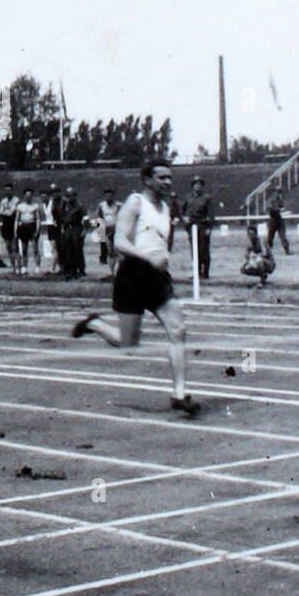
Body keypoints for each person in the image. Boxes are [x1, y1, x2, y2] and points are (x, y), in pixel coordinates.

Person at [71, 159, 200, 416]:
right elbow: (119, 242)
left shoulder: (166, 208)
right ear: (147, 180)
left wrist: (161, 259)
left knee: (178, 329)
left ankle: (179, 394)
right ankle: (94, 323)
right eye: (162, 177)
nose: (168, 182)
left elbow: (161, 240)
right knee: (128, 342)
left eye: (170, 178)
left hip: (157, 278)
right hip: (132, 275)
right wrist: (148, 258)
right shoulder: (134, 203)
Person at [183, 177, 214, 279]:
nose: (197, 186)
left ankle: (205, 273)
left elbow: (210, 214)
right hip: (192, 226)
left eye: (200, 184)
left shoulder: (206, 198)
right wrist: (185, 220)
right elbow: (183, 210)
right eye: (195, 184)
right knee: (194, 250)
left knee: (203, 249)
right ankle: (197, 272)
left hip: (203, 226)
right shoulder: (189, 198)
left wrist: (209, 228)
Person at [58, 187, 87, 279]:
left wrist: (84, 231)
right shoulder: (65, 206)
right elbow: (61, 217)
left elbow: (86, 219)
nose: (70, 197)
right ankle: (71, 270)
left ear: (75, 196)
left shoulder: (80, 205)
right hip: (67, 229)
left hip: (77, 228)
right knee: (67, 250)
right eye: (68, 196)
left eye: (72, 195)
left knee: (77, 249)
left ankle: (81, 269)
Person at [15, 188, 43, 275]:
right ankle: (24, 267)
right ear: (24, 196)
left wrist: (37, 230)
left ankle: (37, 267)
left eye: (30, 196)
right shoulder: (20, 206)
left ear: (32, 196)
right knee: (24, 249)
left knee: (35, 248)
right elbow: (17, 219)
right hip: (23, 226)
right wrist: (15, 231)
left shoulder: (35, 206)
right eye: (27, 196)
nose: (28, 197)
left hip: (32, 226)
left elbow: (38, 219)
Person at [96, 189, 121, 273]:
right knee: (110, 251)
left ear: (113, 196)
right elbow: (98, 216)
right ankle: (112, 272)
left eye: (110, 196)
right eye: (107, 196)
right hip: (107, 230)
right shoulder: (101, 205)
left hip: (117, 230)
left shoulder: (118, 205)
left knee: (119, 251)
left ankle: (120, 271)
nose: (108, 197)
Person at [0, 183, 20, 273]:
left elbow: (11, 213)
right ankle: (13, 266)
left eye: (9, 190)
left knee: (15, 246)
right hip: (5, 224)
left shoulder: (16, 200)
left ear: (12, 190)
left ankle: (19, 266)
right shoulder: (3, 201)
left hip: (13, 224)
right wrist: (5, 212)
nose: (8, 192)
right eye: (6, 190)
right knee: (8, 246)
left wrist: (4, 212)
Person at [266, 188, 291, 255]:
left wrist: (282, 211)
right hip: (273, 220)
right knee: (270, 237)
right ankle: (268, 251)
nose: (279, 194)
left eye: (280, 192)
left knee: (283, 236)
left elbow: (281, 208)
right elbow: (269, 209)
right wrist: (279, 210)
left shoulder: (280, 200)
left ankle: (287, 250)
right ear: (274, 193)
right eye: (277, 192)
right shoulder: (271, 200)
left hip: (279, 220)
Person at [41, 189, 61, 274]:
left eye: (45, 196)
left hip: (55, 227)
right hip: (49, 227)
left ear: (48, 196)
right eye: (42, 197)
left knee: (55, 248)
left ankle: (53, 267)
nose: (43, 198)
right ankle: (58, 267)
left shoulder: (53, 204)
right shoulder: (43, 205)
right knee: (54, 248)